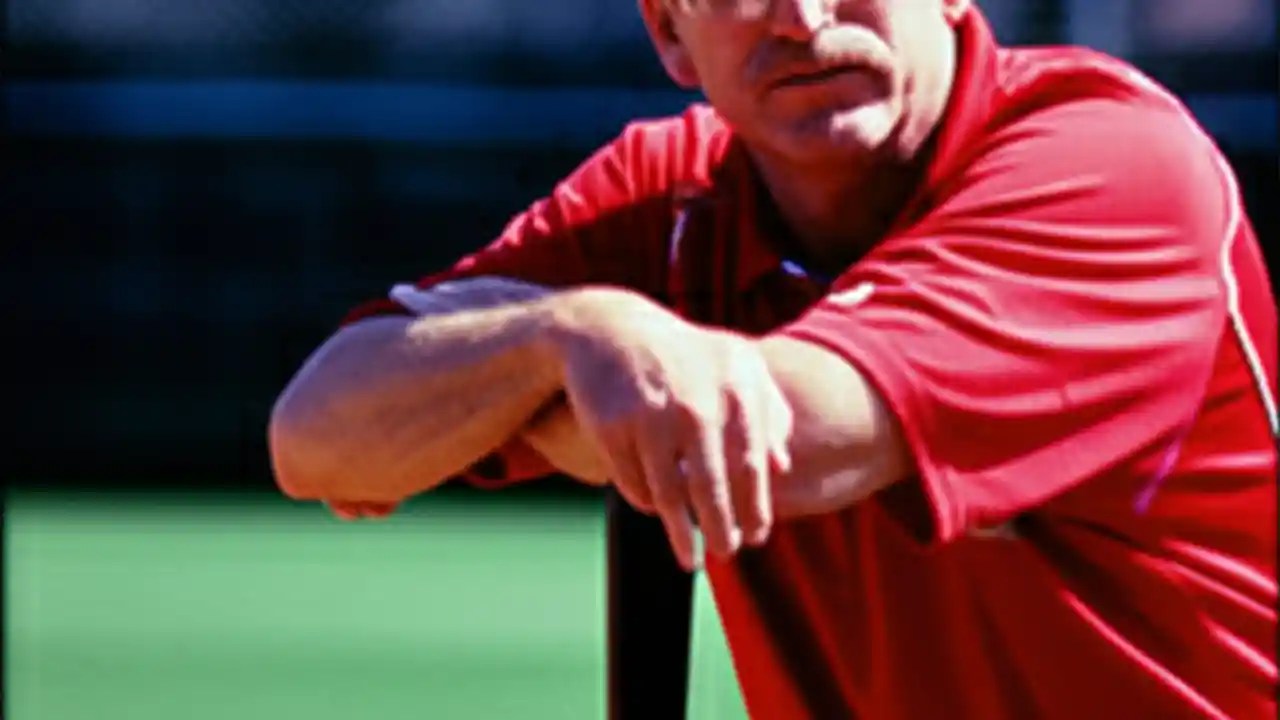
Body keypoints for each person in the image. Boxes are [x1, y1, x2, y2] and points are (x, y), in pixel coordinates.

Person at [268, 0, 1278, 717]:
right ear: (669, 30)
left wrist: (578, 394)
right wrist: (573, 336)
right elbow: (318, 439)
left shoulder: (1110, 166)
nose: (800, 13)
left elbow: (777, 444)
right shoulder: (663, 196)